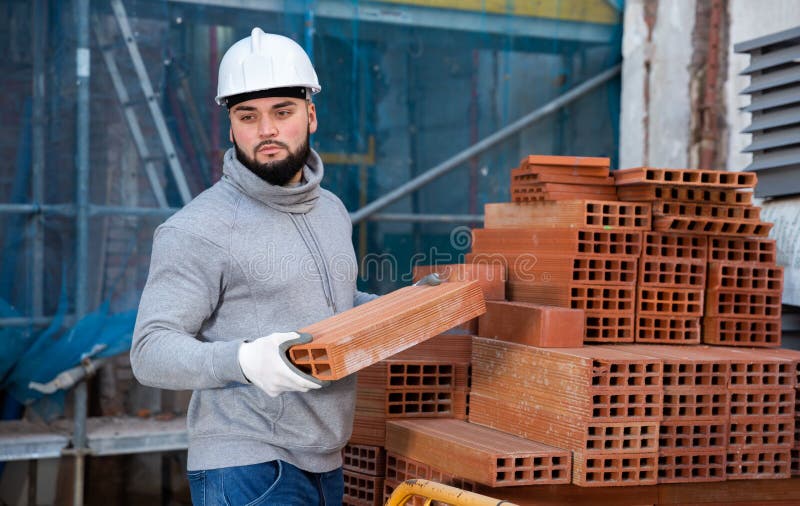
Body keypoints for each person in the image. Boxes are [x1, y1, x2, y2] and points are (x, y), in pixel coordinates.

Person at [131, 27, 377, 505]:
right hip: (246, 466)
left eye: (281, 112)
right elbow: (150, 350)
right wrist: (244, 361)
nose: (265, 130)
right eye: (248, 116)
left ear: (310, 115)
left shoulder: (331, 210)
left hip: (326, 460)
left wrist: (415, 307)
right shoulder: (199, 227)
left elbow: (335, 305)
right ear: (231, 127)